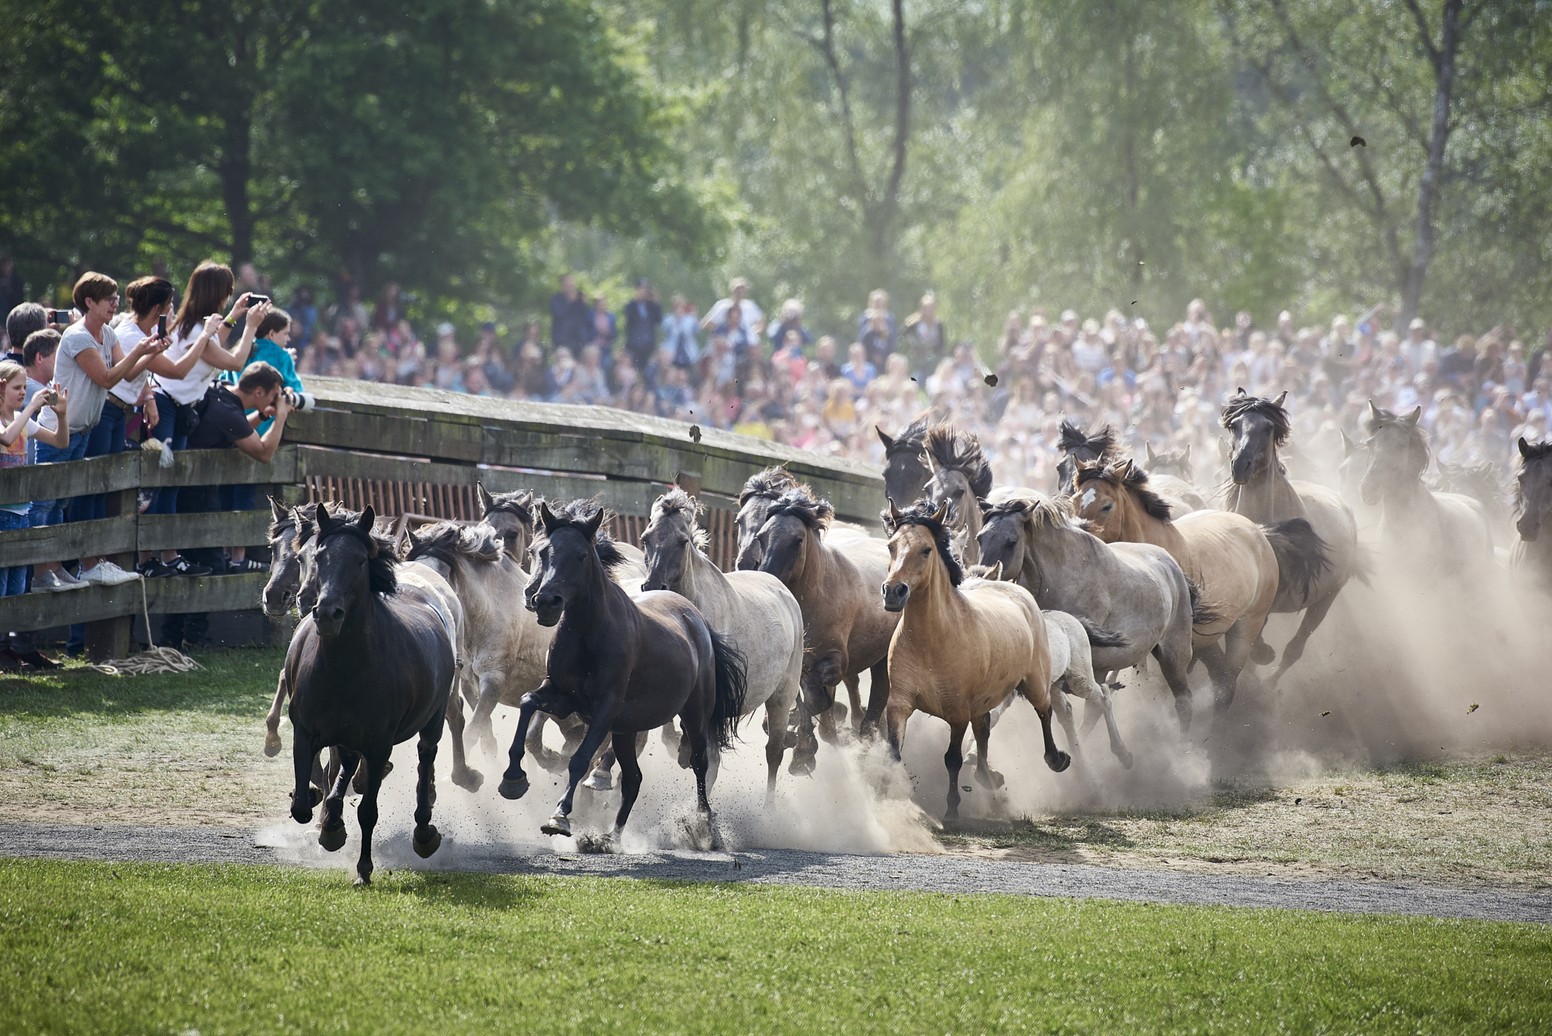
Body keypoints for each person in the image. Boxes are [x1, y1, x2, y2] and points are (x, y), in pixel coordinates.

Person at [32, 272, 167, 593]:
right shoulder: (78, 337)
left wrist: (150, 351)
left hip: (81, 431)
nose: (116, 303)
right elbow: (107, 379)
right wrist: (140, 352)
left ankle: (62, 567)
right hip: (59, 431)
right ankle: (45, 571)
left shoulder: (107, 332)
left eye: (117, 297)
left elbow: (128, 373)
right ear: (89, 302)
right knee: (48, 505)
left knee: (65, 503)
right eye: (109, 298)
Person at [143, 261, 267, 578]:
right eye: (227, 293)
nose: (229, 297)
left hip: (180, 407)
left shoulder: (190, 324)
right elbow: (235, 361)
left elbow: (214, 344)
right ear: (217, 293)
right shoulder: (198, 331)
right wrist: (250, 326)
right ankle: (155, 557)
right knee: (163, 485)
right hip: (169, 405)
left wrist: (233, 317)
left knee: (170, 486)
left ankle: (167, 556)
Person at [160, 363, 292, 650]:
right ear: (258, 390)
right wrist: (279, 418)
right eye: (272, 395)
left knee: (186, 563)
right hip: (196, 497)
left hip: (182, 492)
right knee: (209, 564)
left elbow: (237, 430)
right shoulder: (228, 412)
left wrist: (260, 415)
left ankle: (172, 636)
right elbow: (263, 452)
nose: (274, 400)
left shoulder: (220, 395)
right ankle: (191, 638)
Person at [0, 359, 69, 669]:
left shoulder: (21, 419)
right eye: (17, 388)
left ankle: (10, 647)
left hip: (21, 513)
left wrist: (62, 415)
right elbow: (6, 437)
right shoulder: (11, 422)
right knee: (2, 585)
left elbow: (60, 441)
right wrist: (30, 408)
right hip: (2, 514)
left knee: (17, 587)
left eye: (25, 388)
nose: (23, 393)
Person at [622, 279, 663, 380]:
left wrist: (655, 301)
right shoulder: (630, 306)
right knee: (634, 375)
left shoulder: (651, 307)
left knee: (649, 374)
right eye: (641, 289)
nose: (643, 292)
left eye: (645, 290)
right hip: (634, 346)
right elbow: (629, 321)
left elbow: (659, 319)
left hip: (648, 346)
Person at [549, 274, 591, 351]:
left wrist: (584, 304)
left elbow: (586, 317)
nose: (571, 287)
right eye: (567, 285)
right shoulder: (556, 299)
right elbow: (559, 314)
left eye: (572, 285)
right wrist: (571, 301)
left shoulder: (579, 299)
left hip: (578, 341)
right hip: (562, 341)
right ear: (562, 286)